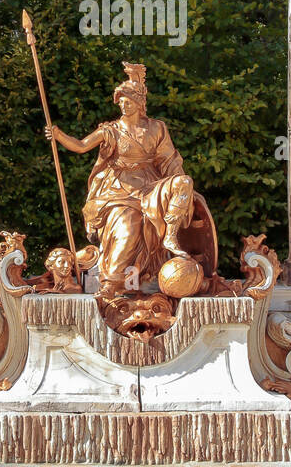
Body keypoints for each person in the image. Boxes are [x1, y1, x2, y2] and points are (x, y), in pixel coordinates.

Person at [45, 63, 195, 297]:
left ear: (139, 103)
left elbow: (170, 161)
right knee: (129, 226)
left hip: (150, 186)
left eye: (127, 101)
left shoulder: (157, 128)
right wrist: (58, 135)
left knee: (184, 182)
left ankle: (170, 236)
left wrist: (182, 197)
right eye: (121, 101)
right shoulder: (111, 130)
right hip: (119, 189)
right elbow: (82, 145)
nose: (122, 105)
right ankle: (111, 281)